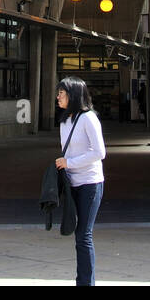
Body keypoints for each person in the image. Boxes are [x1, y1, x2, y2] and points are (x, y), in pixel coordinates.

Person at [56, 76, 106, 286]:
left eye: (62, 93)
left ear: (74, 95)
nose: (58, 97)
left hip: (90, 183)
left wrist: (70, 163)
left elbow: (100, 152)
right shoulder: (65, 120)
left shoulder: (89, 118)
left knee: (84, 235)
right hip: (72, 183)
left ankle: (86, 282)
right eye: (58, 93)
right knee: (77, 235)